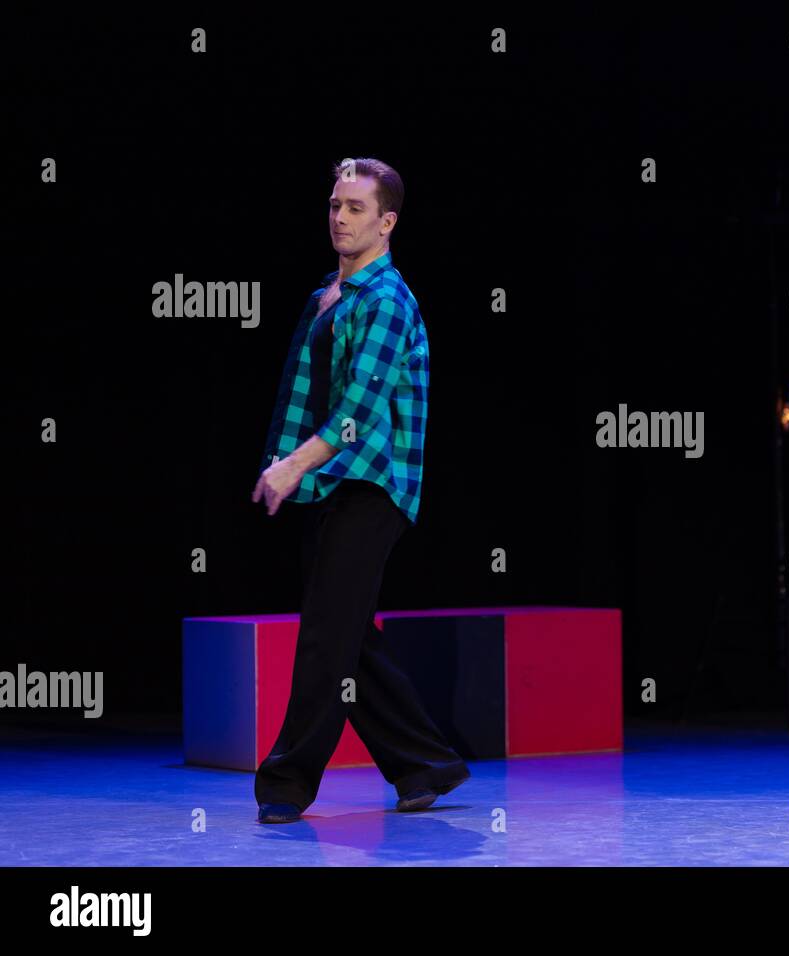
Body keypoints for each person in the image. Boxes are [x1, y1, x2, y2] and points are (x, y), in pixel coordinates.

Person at [250, 156, 470, 824]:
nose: (340, 218)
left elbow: (356, 412)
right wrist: (290, 465)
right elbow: (305, 393)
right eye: (334, 205)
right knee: (349, 637)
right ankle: (424, 764)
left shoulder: (388, 302)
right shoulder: (334, 293)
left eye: (355, 209)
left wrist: (292, 468)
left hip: (374, 484)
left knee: (324, 636)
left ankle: (287, 782)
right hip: (333, 483)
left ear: (387, 221)